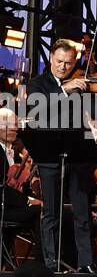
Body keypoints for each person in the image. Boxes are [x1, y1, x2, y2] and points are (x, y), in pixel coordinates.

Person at [25, 38, 97, 272]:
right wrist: (63, 90)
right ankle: (50, 262)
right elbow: (36, 109)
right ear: (51, 59)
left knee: (82, 212)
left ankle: (86, 262)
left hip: (77, 155)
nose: (63, 67)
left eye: (68, 64)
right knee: (51, 212)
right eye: (59, 62)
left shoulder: (79, 84)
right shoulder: (37, 84)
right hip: (49, 155)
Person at [0, 107, 40, 252]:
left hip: (14, 205)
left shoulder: (17, 154)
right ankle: (42, 261)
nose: (14, 127)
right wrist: (28, 200)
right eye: (8, 123)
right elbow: (1, 188)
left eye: (15, 123)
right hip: (4, 208)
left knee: (50, 211)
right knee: (41, 212)